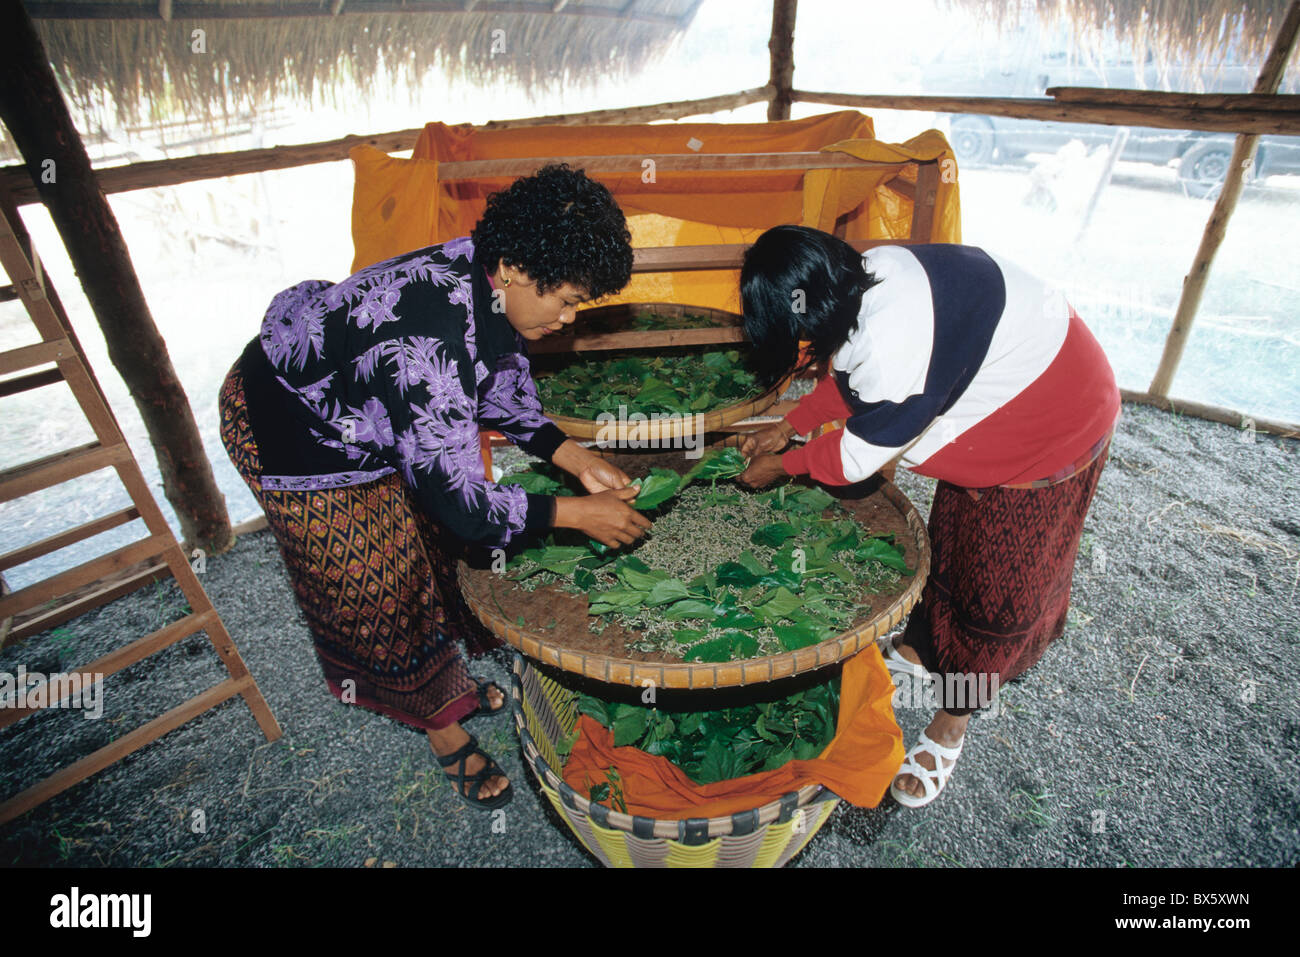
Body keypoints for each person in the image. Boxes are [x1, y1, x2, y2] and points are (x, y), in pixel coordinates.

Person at [218, 164, 652, 810]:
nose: (568, 318)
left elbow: (497, 382)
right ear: (511, 268)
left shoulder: (479, 276)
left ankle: (448, 677)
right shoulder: (428, 348)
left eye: (578, 304)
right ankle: (441, 727)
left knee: (423, 548)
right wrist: (574, 512)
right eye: (565, 299)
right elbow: (466, 508)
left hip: (365, 403)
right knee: (377, 585)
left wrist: (570, 453)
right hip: (291, 424)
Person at [735, 225, 1119, 808]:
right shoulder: (863, 275)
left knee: (999, 584)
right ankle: (921, 650)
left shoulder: (896, 345)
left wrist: (783, 465)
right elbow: (855, 383)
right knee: (952, 542)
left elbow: (852, 457)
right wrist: (791, 423)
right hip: (1004, 382)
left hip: (1056, 414)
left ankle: (952, 722)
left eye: (800, 338)